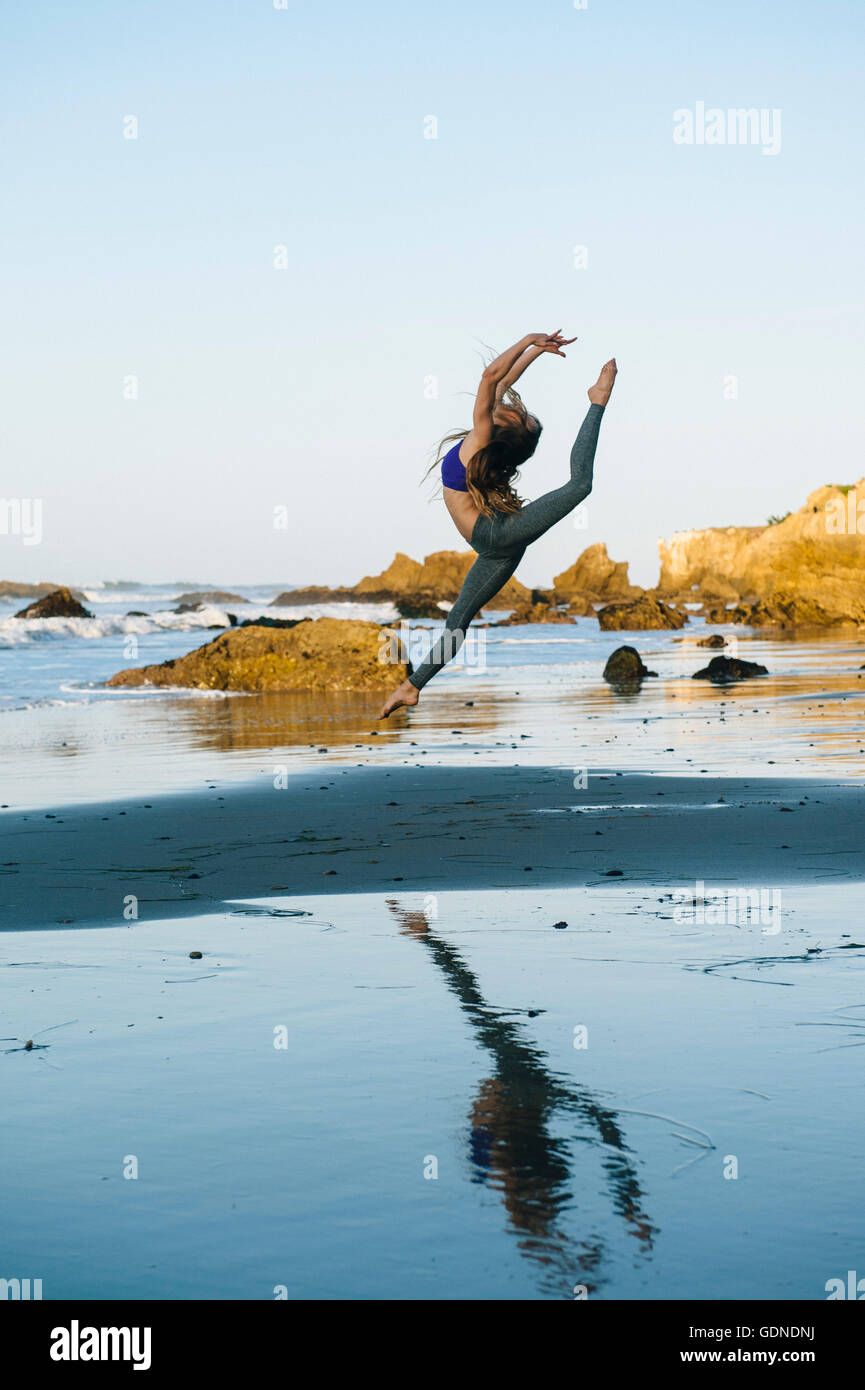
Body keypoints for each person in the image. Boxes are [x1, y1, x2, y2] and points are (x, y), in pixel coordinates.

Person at [379, 331, 616, 717]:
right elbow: (504, 381)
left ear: (507, 428)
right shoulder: (486, 432)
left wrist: (526, 340)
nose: (509, 404)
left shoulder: (483, 434)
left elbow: (491, 377)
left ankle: (598, 402)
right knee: (458, 620)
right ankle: (412, 687)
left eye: (516, 413)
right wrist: (537, 351)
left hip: (498, 536)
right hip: (493, 541)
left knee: (580, 485)